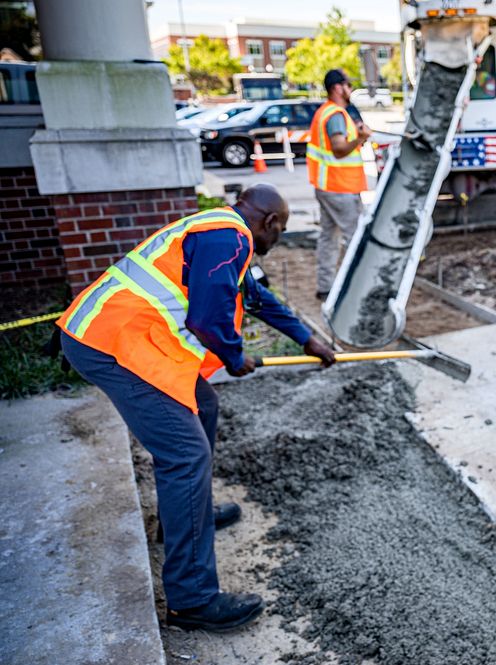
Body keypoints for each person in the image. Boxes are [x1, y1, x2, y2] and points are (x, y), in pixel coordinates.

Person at [57, 184, 338, 632]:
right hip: (109, 344)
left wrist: (307, 339)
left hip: (121, 339)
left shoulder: (219, 230)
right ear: (269, 222)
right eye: (280, 231)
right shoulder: (229, 238)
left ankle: (186, 515)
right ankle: (192, 599)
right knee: (186, 455)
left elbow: (256, 298)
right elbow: (206, 320)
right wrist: (234, 356)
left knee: (203, 405)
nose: (277, 239)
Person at [308, 68, 373, 300]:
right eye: (347, 85)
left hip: (328, 186)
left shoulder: (327, 112)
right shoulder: (336, 115)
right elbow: (338, 149)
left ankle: (325, 287)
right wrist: (360, 138)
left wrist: (357, 138)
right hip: (340, 188)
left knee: (329, 238)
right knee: (355, 239)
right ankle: (361, 288)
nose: (350, 89)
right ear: (337, 88)